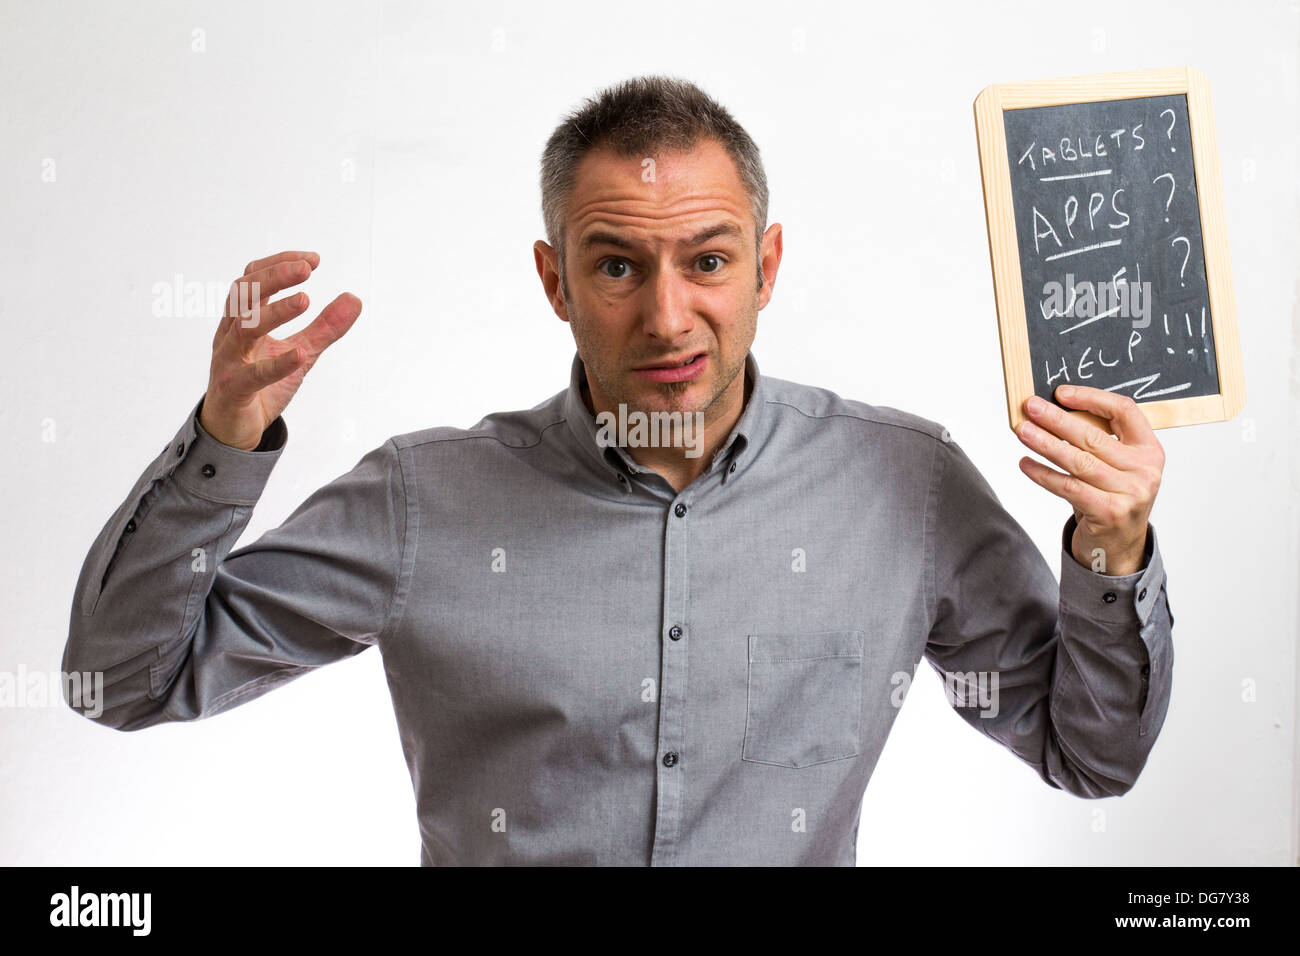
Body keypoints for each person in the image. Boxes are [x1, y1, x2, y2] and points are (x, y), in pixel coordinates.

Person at [63, 75, 1173, 866]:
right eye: (615, 265)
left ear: (765, 266)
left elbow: (1088, 750)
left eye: (707, 259)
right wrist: (221, 441)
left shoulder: (906, 484)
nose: (667, 313)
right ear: (555, 281)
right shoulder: (422, 501)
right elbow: (119, 681)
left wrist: (1113, 548)